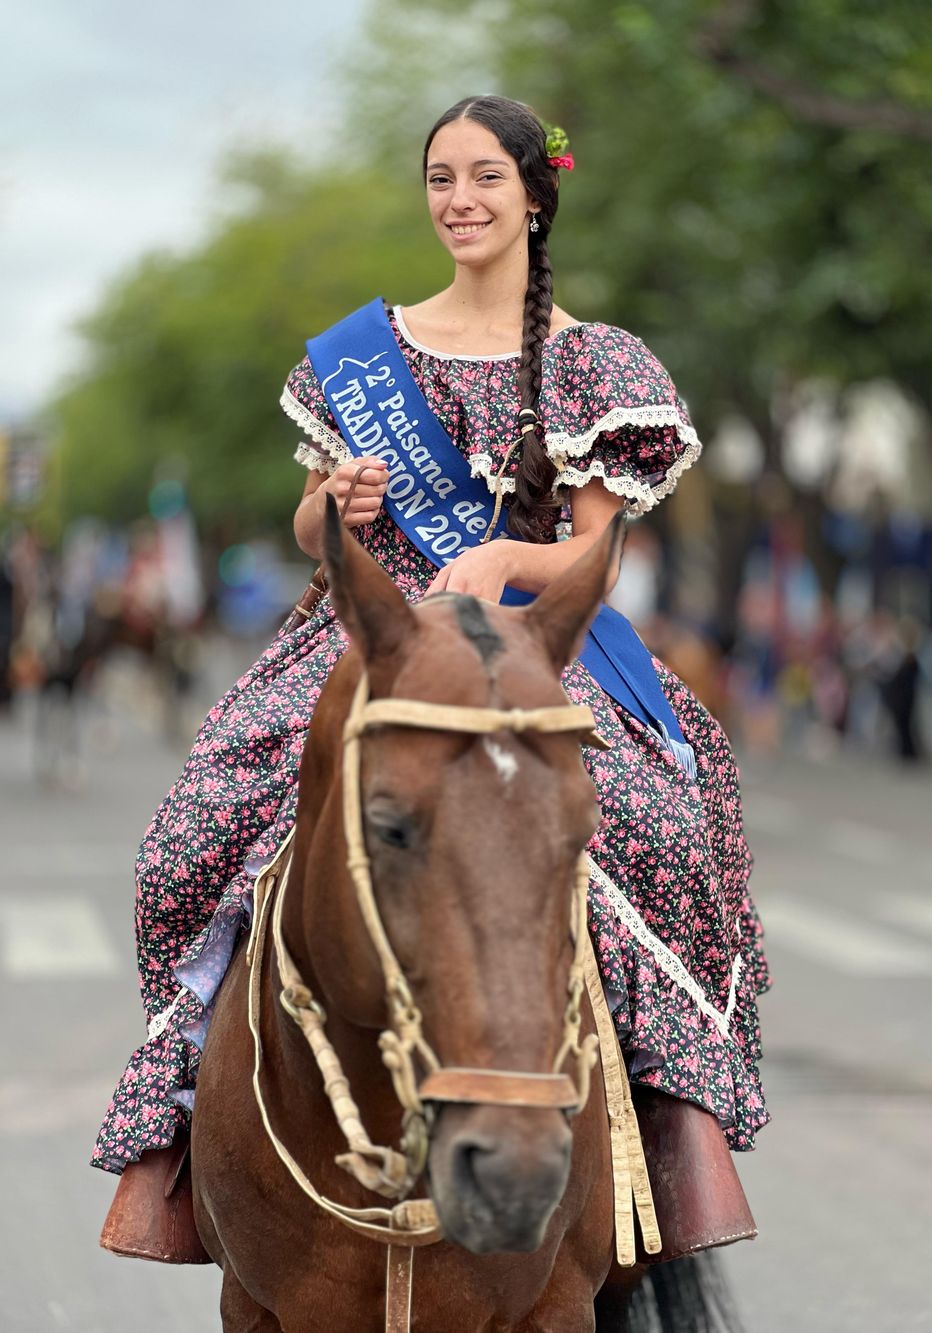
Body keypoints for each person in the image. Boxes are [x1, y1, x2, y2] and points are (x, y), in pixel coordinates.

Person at [96, 95, 770, 1265]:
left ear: (534, 196)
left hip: (531, 643)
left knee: (662, 832)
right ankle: (177, 1138)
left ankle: (668, 1146)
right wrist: (334, 511)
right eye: (441, 179)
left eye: (484, 180)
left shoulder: (595, 362)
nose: (459, 201)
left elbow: (596, 553)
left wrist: (511, 553)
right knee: (191, 836)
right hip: (374, 641)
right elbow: (315, 524)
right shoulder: (362, 355)